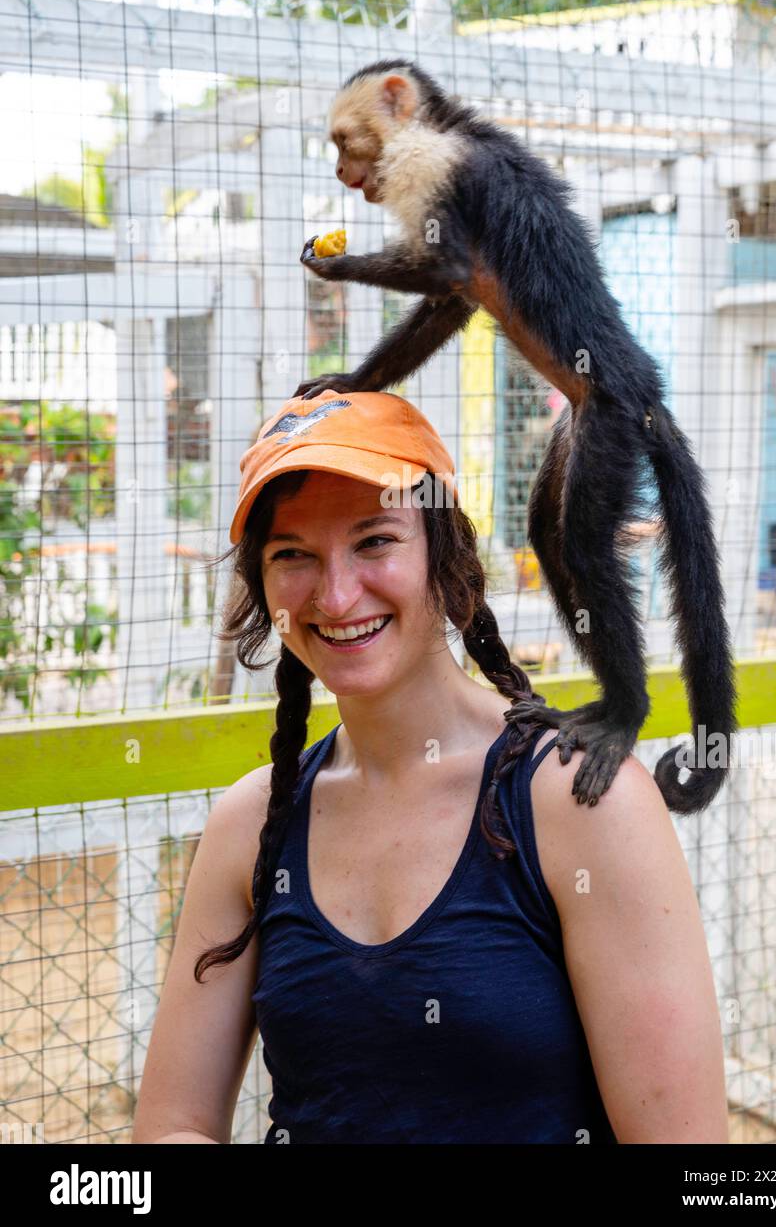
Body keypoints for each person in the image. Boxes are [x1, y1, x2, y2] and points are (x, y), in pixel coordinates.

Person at [132, 390, 728, 1145]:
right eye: (293, 555)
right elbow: (171, 1126)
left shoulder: (580, 802)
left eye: (375, 540)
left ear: (444, 557)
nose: (336, 593)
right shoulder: (252, 824)